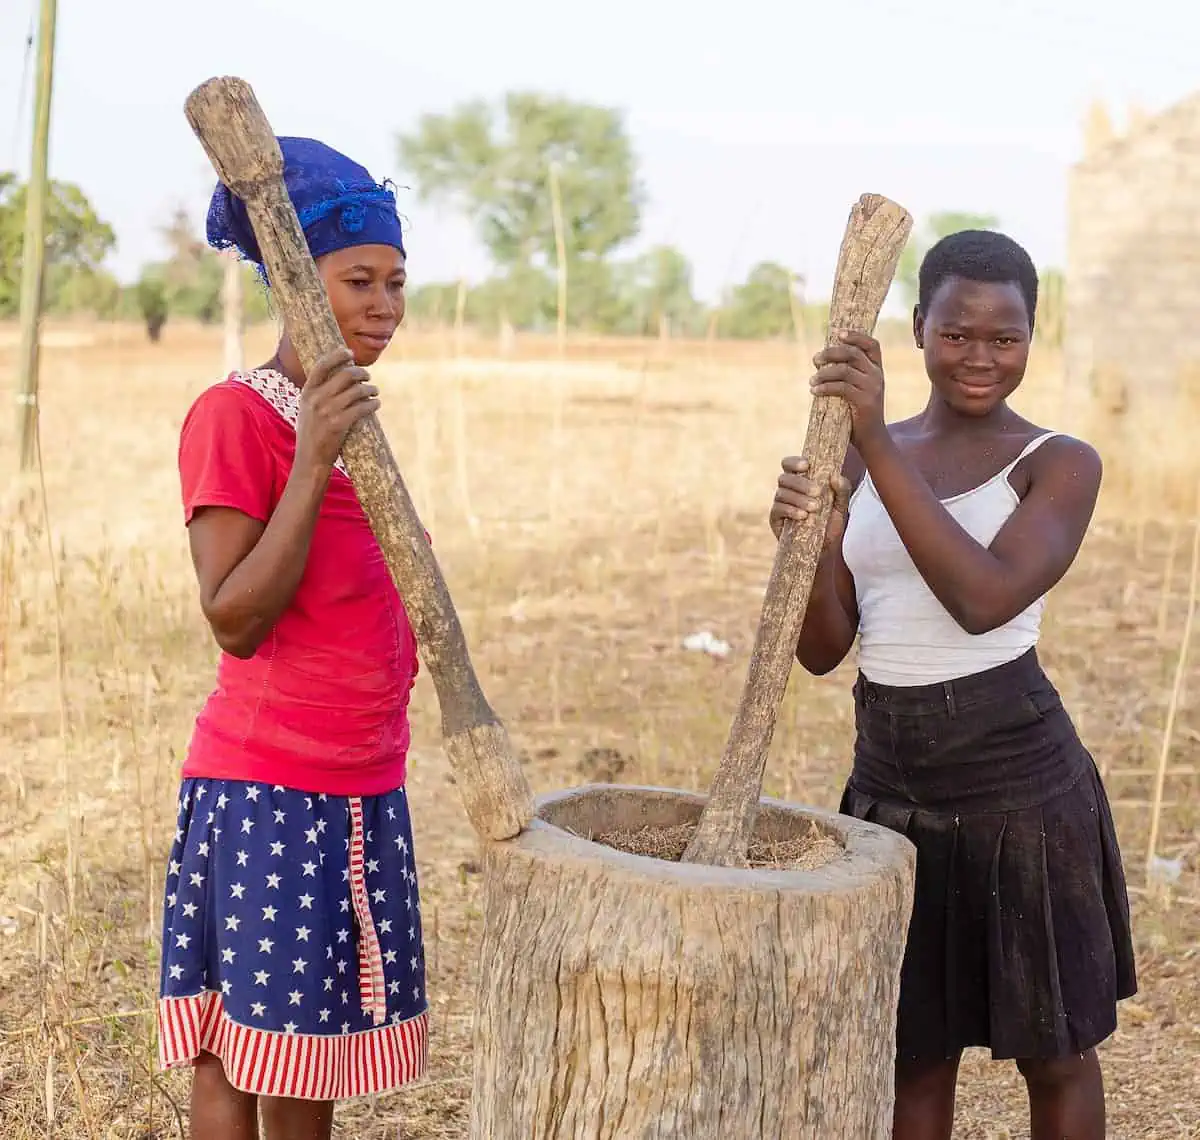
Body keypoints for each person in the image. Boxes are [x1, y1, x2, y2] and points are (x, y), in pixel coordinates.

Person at [768, 229, 1137, 1140]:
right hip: (890, 787)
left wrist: (872, 443)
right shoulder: (858, 454)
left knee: (1053, 1051)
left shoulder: (1057, 461)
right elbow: (824, 651)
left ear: (1030, 339)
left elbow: (983, 599)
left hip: (1020, 786)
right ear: (919, 329)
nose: (980, 357)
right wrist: (809, 549)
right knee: (913, 1049)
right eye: (957, 333)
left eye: (1003, 338)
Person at [156, 137, 427, 1140]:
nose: (385, 303)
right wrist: (313, 456)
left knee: (276, 1044)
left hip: (356, 783)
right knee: (265, 1054)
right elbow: (233, 617)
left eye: (398, 282)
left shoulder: (353, 425)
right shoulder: (241, 418)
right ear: (293, 285)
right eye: (358, 279)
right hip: (272, 785)